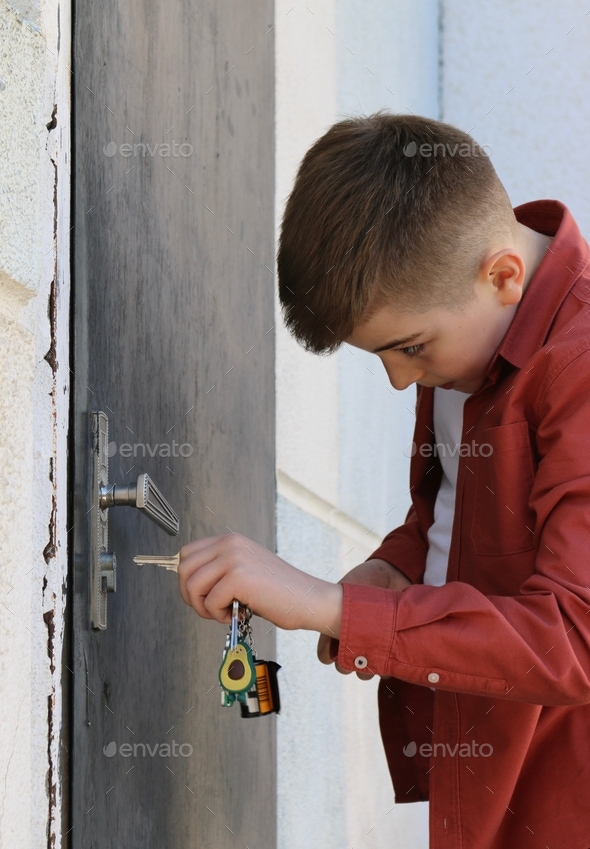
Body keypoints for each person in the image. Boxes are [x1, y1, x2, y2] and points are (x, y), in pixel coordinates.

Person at [178, 112, 590, 849]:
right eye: (381, 356)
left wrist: (334, 608)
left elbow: (576, 636)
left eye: (408, 348)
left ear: (503, 273)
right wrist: (392, 567)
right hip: (487, 779)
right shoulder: (473, 325)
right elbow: (454, 512)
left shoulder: (579, 367)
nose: (402, 379)